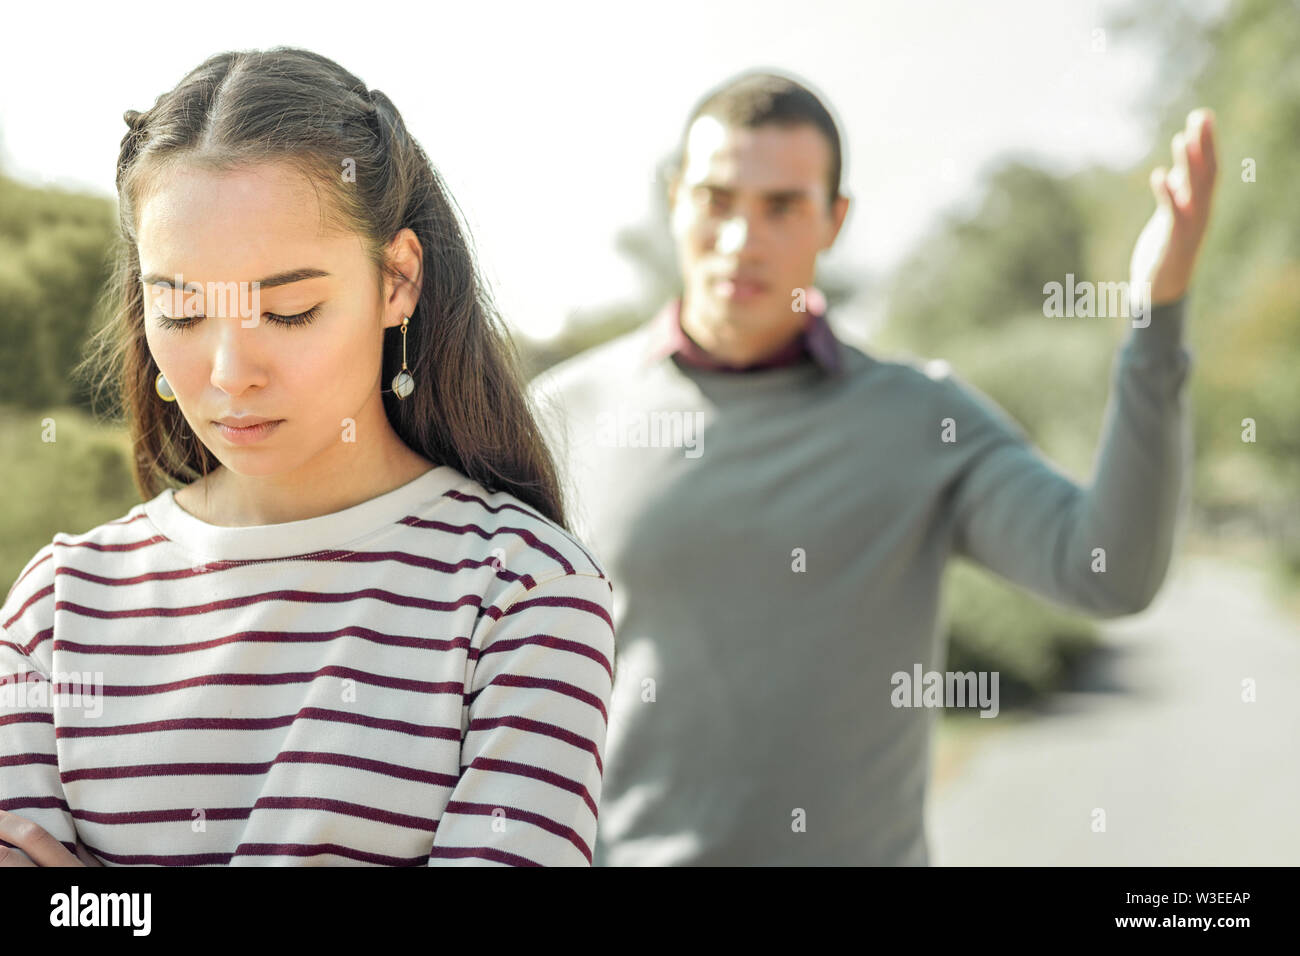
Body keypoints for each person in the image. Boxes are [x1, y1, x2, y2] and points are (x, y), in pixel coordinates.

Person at [530, 71, 1217, 865]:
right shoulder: (559, 416)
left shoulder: (922, 420)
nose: (742, 238)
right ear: (677, 199)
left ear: (835, 219)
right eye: (717, 199)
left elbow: (1109, 572)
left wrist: (1155, 322)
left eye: (782, 206)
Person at [0, 47, 614, 867]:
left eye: (288, 309)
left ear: (397, 279)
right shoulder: (59, 606)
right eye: (181, 313)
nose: (230, 373)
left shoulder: (521, 592)